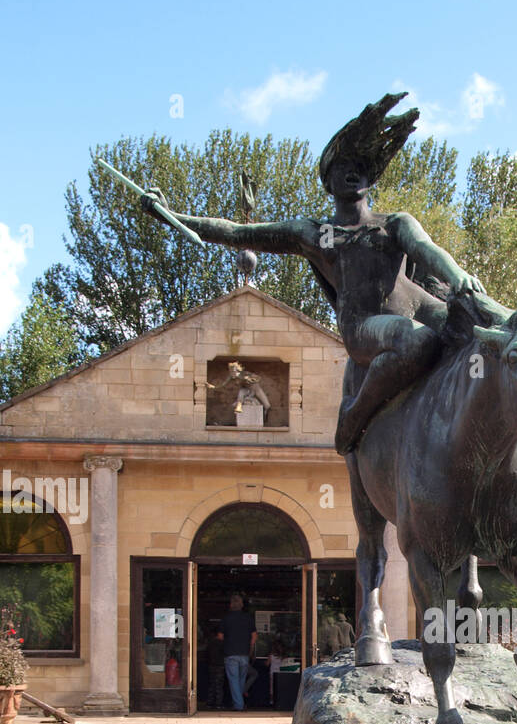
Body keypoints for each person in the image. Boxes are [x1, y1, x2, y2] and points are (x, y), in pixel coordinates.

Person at [140, 93, 485, 454]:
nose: (353, 171)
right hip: (366, 324)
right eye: (343, 165)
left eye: (362, 165)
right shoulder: (312, 233)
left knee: (486, 328)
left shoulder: (396, 223)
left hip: (419, 305)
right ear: (328, 178)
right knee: (419, 341)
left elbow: (426, 250)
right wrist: (171, 215)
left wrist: (457, 274)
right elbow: (236, 233)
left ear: (371, 177)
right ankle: (356, 412)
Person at [220, 593, 257, 711]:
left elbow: (220, 636)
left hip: (230, 653)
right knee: (241, 680)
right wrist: (250, 648)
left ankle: (238, 705)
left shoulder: (226, 618)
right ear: (242, 605)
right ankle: (239, 702)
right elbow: (254, 636)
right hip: (244, 654)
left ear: (231, 605)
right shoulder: (248, 618)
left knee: (233, 680)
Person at [206, 617, 225, 709]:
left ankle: (209, 702)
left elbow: (207, 654)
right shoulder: (222, 643)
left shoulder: (211, 643)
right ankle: (219, 704)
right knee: (219, 686)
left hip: (211, 665)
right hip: (220, 666)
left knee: (212, 685)